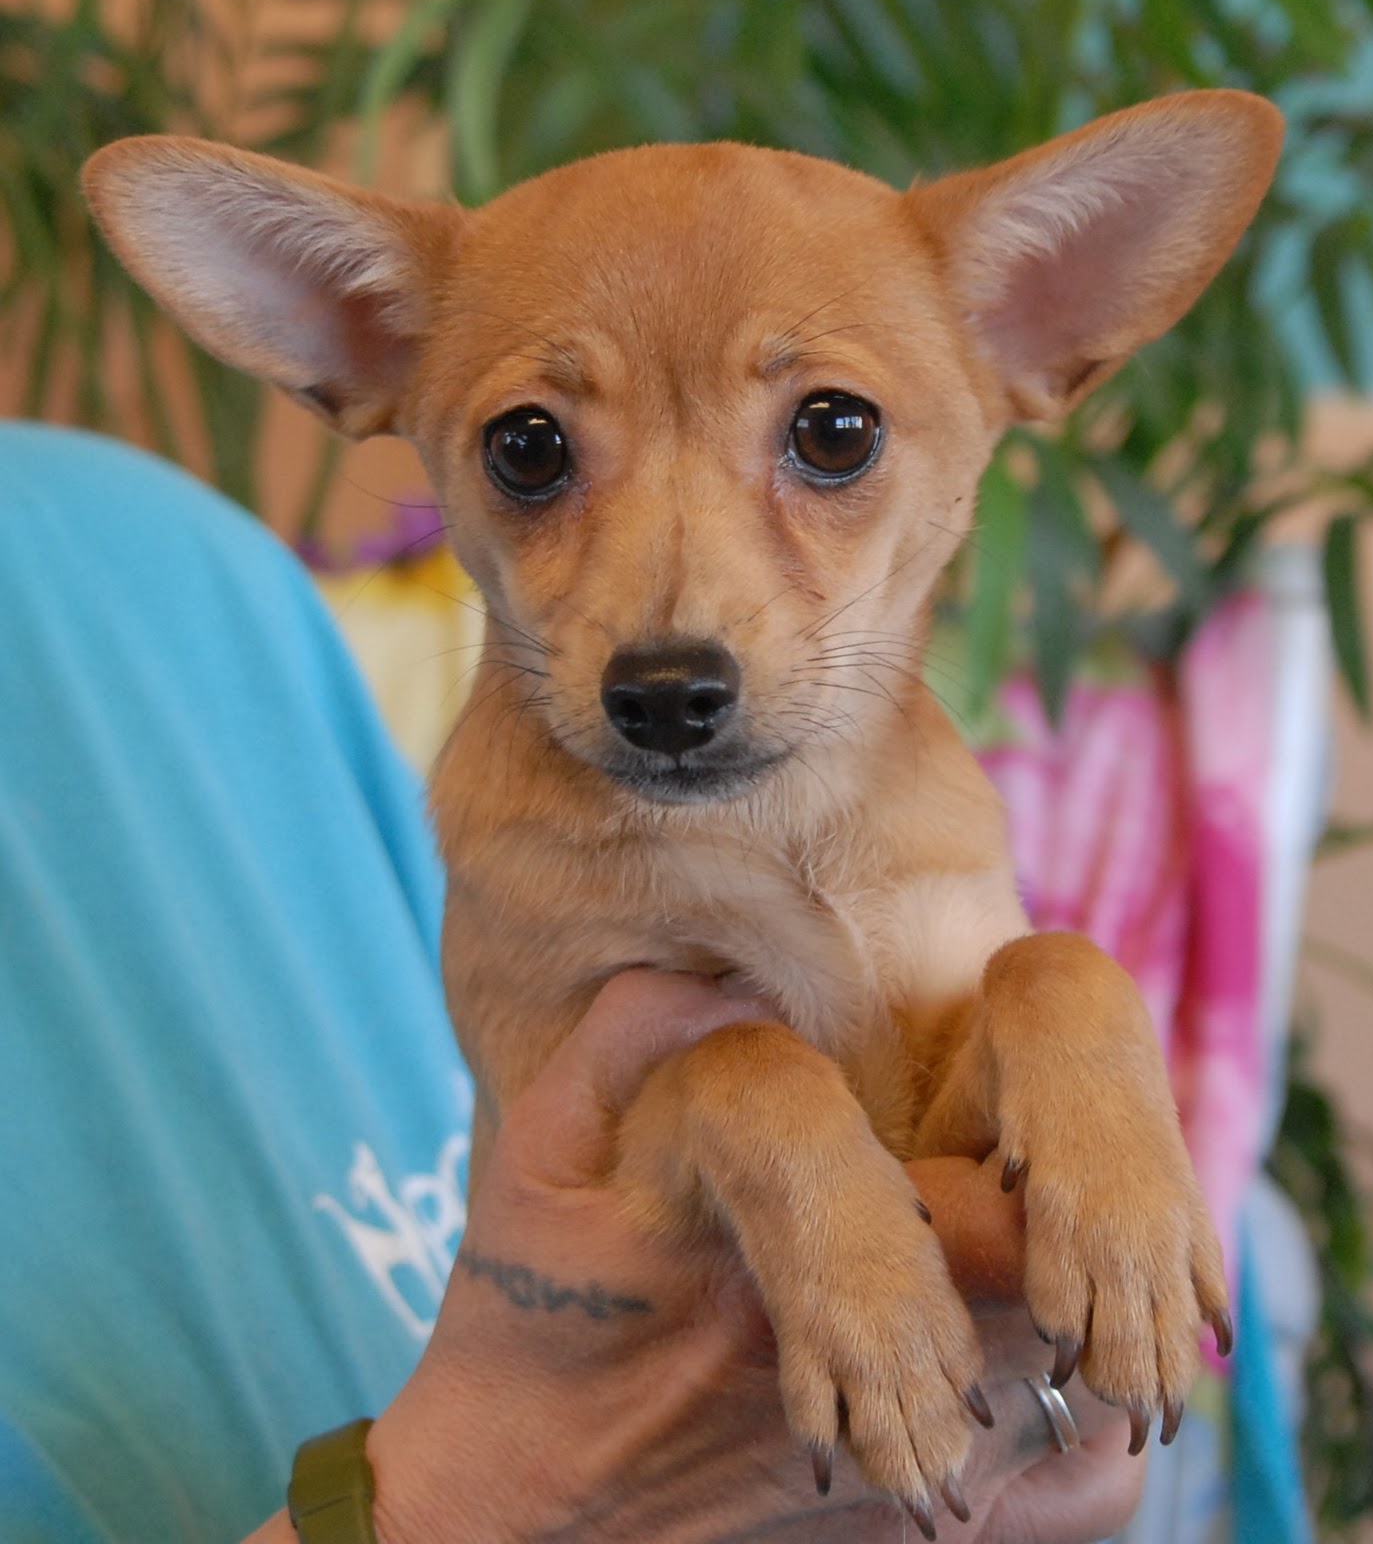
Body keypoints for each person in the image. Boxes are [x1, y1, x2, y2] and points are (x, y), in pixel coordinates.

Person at [0, 421, 1142, 1542]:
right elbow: (618, 1123)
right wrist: (473, 1504)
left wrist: (1056, 1364)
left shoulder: (167, 561)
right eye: (536, 455)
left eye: (830, 435)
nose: (676, 628)